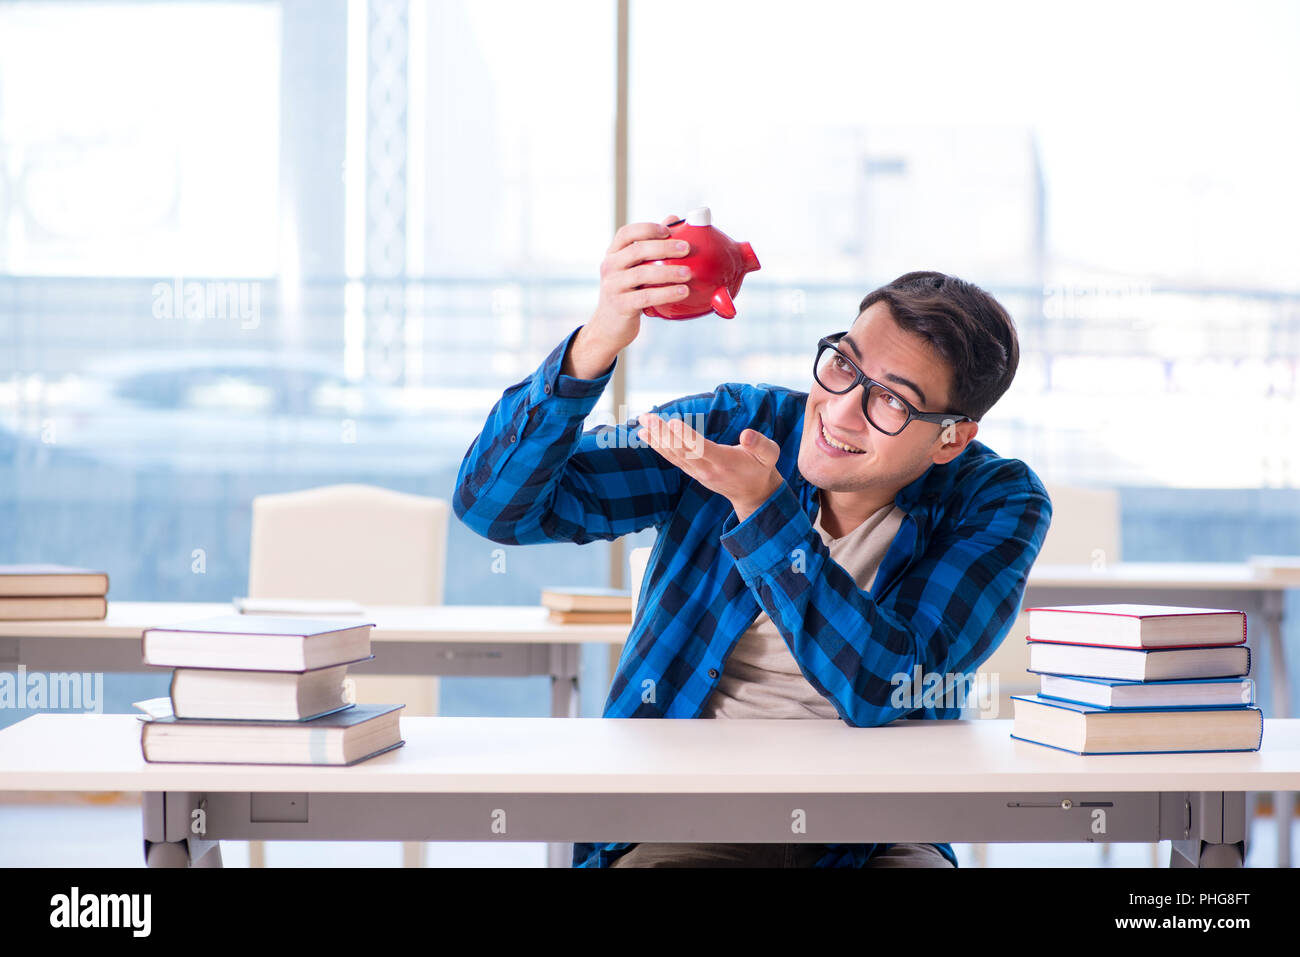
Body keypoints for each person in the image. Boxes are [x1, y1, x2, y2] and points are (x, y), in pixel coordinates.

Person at [454, 215, 1053, 868]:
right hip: (687, 814)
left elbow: (889, 685)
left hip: (877, 829)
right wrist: (597, 341)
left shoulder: (996, 501)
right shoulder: (736, 424)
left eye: (892, 402)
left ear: (950, 438)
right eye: (844, 364)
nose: (841, 409)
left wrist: (763, 509)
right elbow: (496, 507)